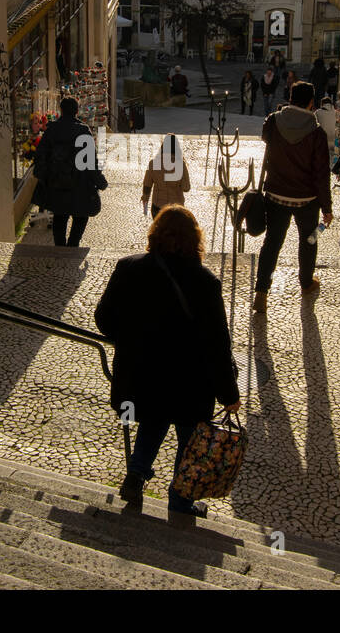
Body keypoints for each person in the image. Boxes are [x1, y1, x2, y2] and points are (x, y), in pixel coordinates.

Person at [95, 205, 241, 519]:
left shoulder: (128, 268)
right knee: (189, 443)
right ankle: (180, 502)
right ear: (194, 240)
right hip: (190, 385)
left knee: (153, 420)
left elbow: (103, 319)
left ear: (156, 234)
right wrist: (230, 395)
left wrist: (133, 336)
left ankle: (135, 474)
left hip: (142, 378)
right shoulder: (206, 283)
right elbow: (218, 346)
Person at [252, 81, 333, 313]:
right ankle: (306, 282)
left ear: (289, 98)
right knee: (309, 240)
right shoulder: (317, 134)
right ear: (311, 103)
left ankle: (261, 291)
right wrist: (326, 208)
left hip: (276, 195)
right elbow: (321, 174)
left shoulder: (273, 122)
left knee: (272, 243)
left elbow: (266, 138)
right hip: (307, 200)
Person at [33, 97, 107, 247]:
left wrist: (45, 177)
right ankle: (73, 245)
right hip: (80, 184)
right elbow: (91, 162)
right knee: (81, 216)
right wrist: (100, 181)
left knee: (60, 216)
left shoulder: (51, 130)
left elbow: (40, 156)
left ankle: (60, 247)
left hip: (57, 184)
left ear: (61, 110)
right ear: (76, 111)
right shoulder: (83, 130)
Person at [142, 134, 191, 218]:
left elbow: (147, 185)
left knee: (160, 230)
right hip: (176, 208)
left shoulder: (153, 163)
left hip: (158, 207)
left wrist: (145, 198)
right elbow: (186, 188)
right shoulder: (180, 164)